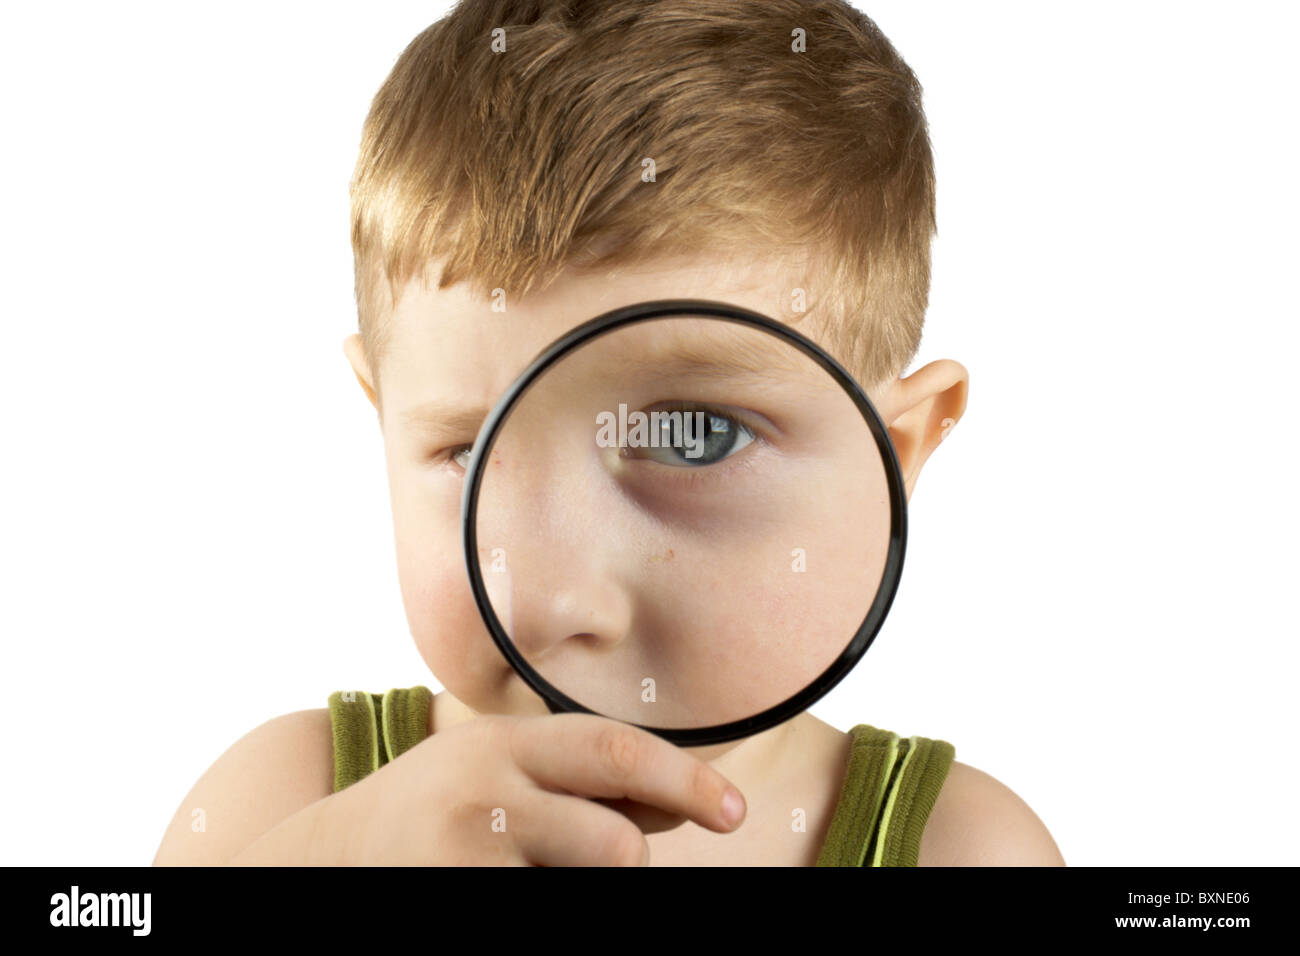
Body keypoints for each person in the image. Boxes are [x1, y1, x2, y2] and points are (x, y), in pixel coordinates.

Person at [153, 0, 1064, 866]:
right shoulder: (286, 807)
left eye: (693, 436)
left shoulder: (968, 849)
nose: (551, 606)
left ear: (892, 455)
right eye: (469, 455)